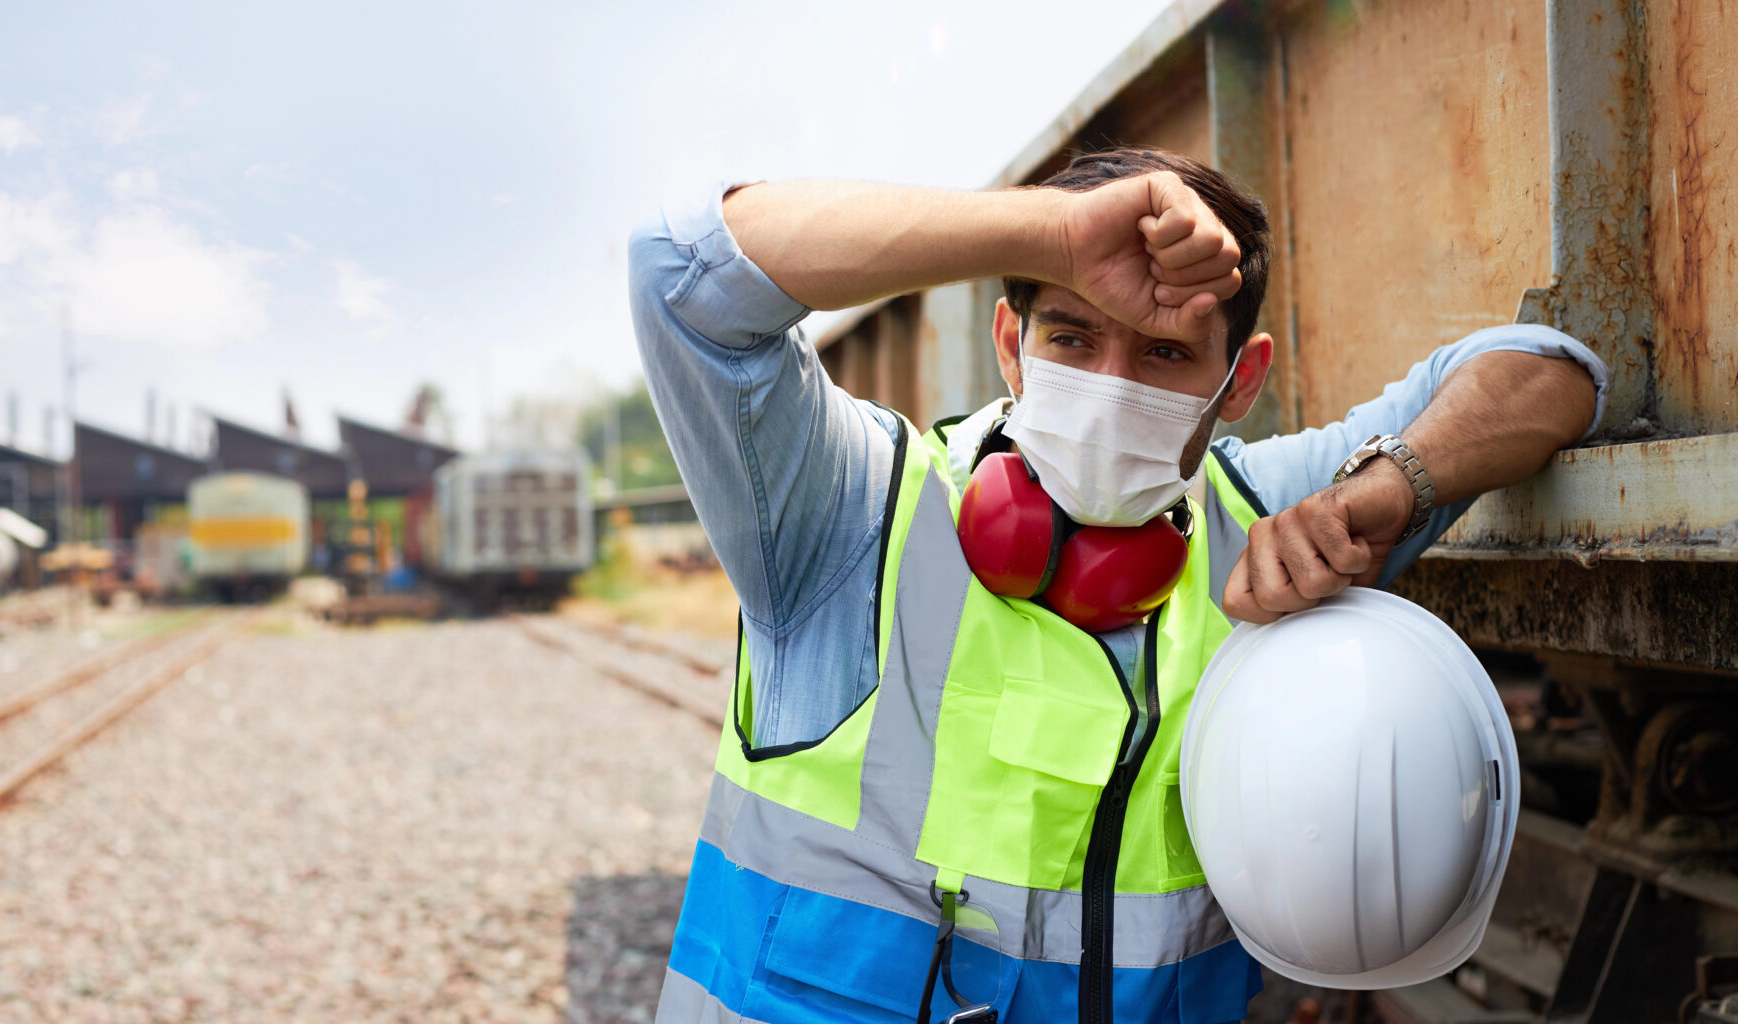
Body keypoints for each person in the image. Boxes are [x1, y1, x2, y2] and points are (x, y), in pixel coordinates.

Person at [627, 148, 1605, 1024]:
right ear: (1009, 344)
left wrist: (1395, 483)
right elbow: (680, 270)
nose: (1110, 382)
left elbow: (1549, 375)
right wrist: (1046, 230)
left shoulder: (1263, 518)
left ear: (1240, 384)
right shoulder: (848, 515)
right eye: (1072, 338)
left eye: (1165, 352)